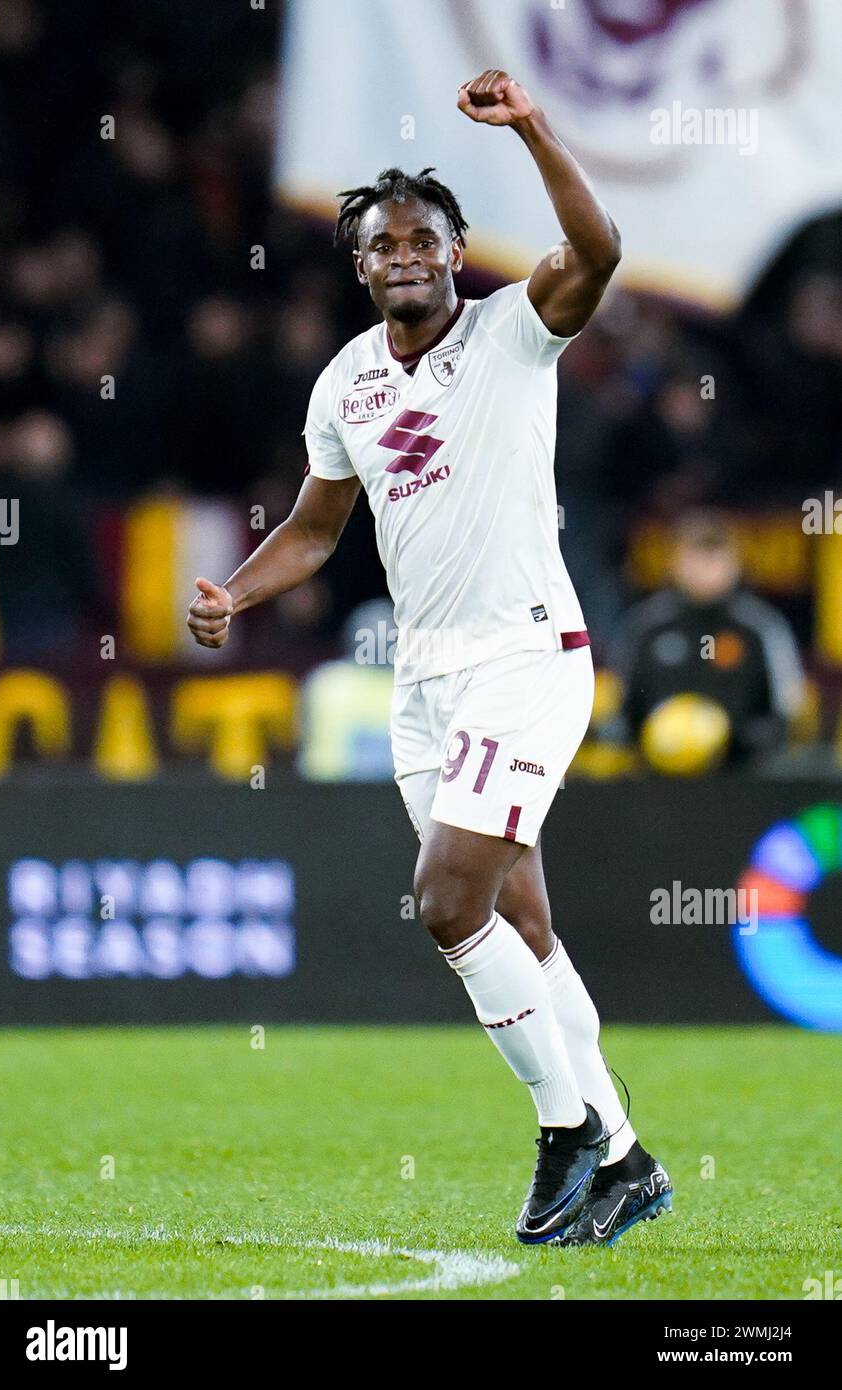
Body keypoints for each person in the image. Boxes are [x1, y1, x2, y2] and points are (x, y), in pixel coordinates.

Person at [188, 69, 671, 1247]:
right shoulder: (344, 382)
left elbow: (597, 248)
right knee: (526, 929)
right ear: (357, 265)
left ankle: (562, 1130)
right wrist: (233, 593)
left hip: (524, 656)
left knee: (444, 901)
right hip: (423, 682)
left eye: (422, 236)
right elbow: (313, 529)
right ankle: (625, 1159)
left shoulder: (516, 329)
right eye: (379, 242)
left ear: (457, 250)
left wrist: (532, 129)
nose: (401, 252)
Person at [618, 510, 805, 765]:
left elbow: (788, 708)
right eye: (696, 558)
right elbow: (621, 707)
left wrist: (733, 738)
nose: (706, 570)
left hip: (742, 777)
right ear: (676, 561)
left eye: (715, 559)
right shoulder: (648, 624)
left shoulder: (759, 626)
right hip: (656, 779)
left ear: (735, 563)